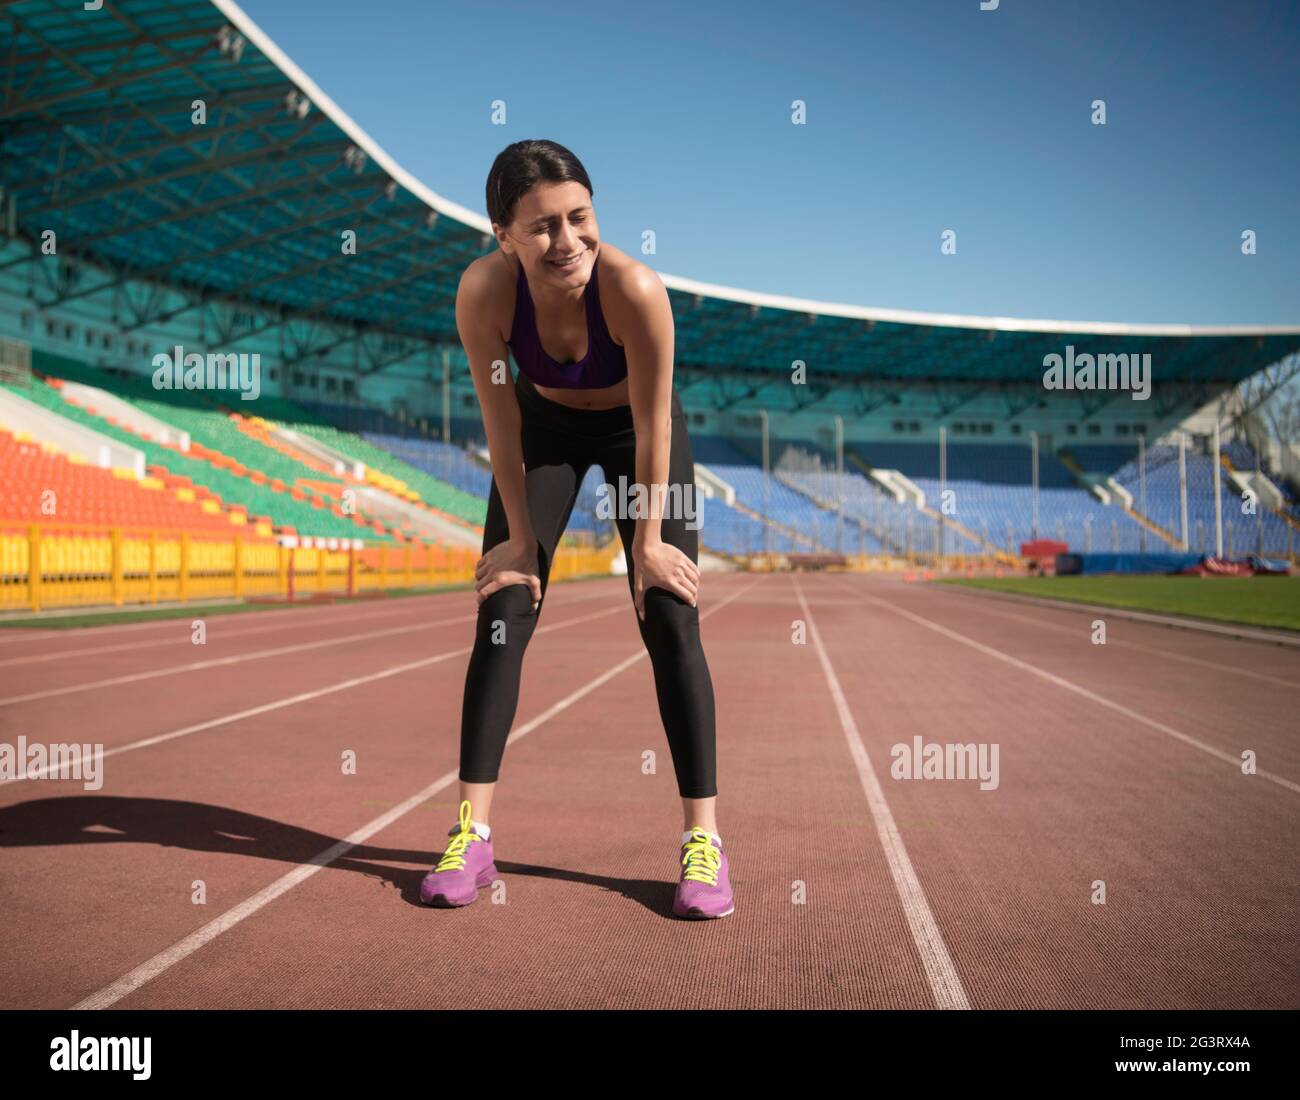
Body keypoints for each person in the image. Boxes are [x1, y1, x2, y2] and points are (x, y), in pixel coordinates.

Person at [419, 139, 732, 918]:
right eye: (543, 228)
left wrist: (650, 541)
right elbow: (501, 421)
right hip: (544, 431)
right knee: (504, 607)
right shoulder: (483, 296)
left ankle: (705, 843)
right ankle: (473, 835)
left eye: (579, 218)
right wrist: (520, 541)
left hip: (637, 433)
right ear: (504, 236)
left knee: (669, 610)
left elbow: (655, 424)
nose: (567, 242)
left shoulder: (635, 288)